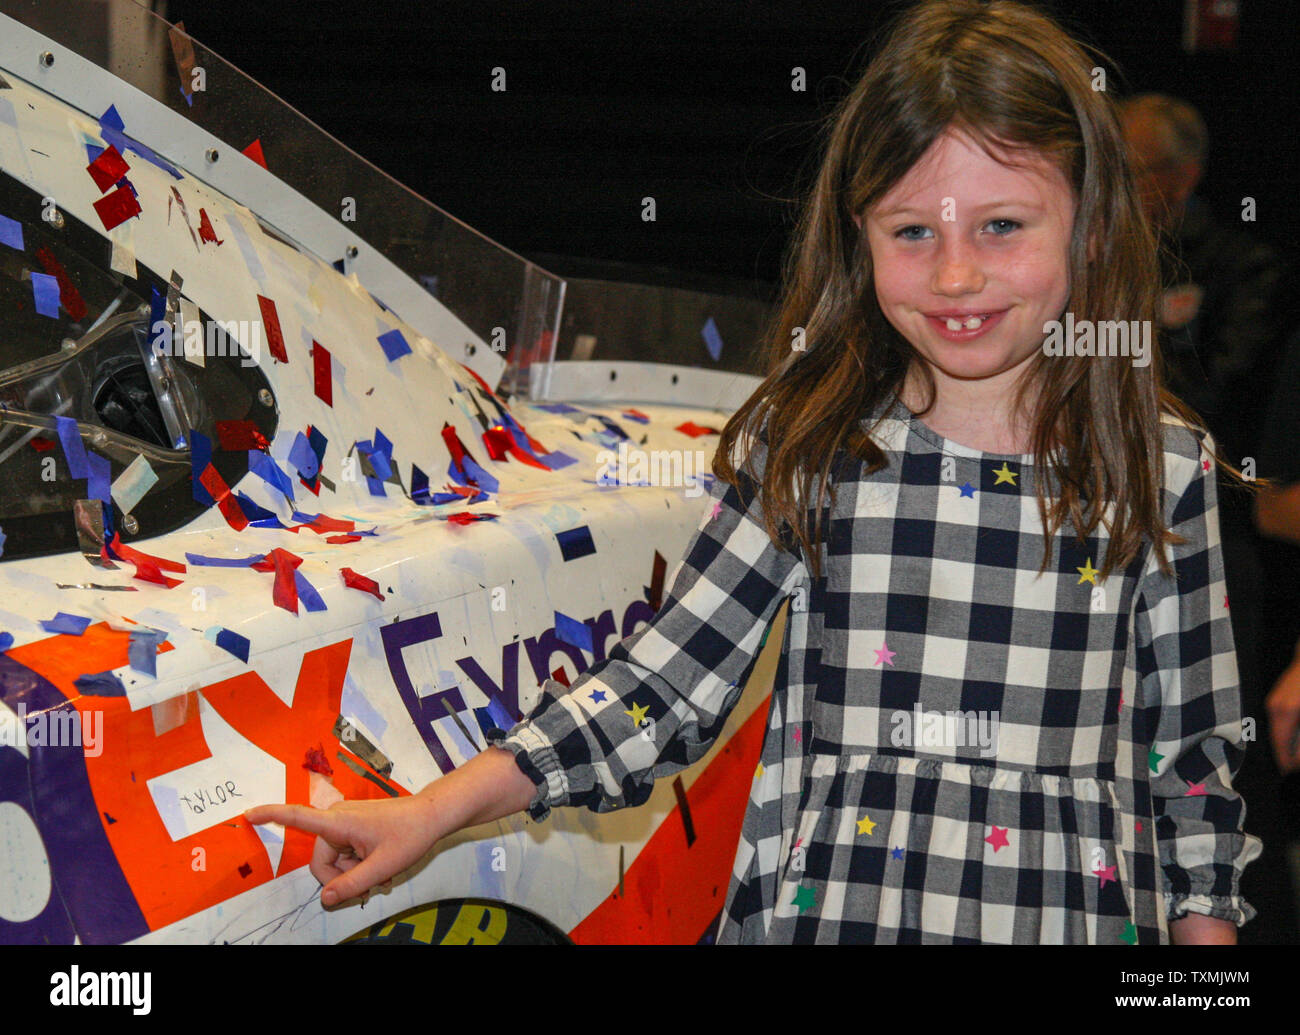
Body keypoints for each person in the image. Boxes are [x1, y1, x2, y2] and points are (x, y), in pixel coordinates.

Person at [247, 0, 1262, 944]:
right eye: (913, 231)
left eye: (1002, 225)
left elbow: (1193, 775)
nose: (955, 274)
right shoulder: (811, 440)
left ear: (1088, 228)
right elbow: (668, 682)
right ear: (858, 241)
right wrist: (429, 813)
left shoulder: (1156, 466)